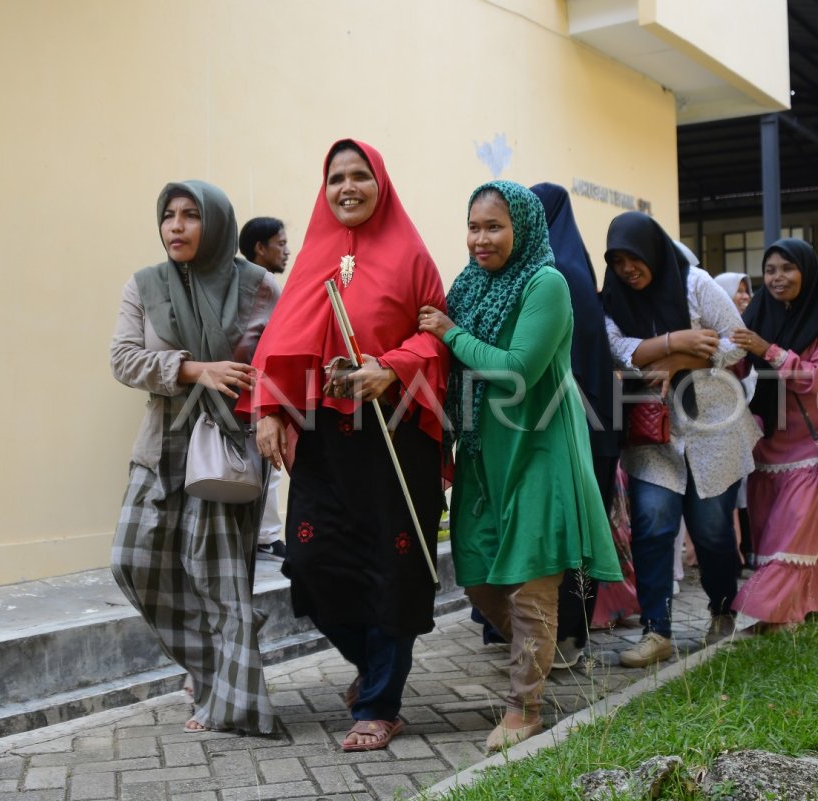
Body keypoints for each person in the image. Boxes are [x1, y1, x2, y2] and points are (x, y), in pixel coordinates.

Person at [245, 139, 450, 751]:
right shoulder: (313, 256)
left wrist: (389, 367)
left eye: (360, 176)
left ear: (380, 183)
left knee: (394, 563)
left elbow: (439, 337)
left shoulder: (411, 254)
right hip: (322, 437)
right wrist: (269, 409)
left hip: (394, 435)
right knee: (311, 563)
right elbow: (285, 343)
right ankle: (374, 664)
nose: (348, 188)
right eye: (336, 178)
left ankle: (382, 700)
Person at [418, 180, 621, 752]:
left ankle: (524, 707)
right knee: (479, 576)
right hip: (483, 452)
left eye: (494, 227)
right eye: (474, 227)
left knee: (531, 583)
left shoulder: (547, 283)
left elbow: (515, 371)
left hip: (539, 450)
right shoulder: (470, 285)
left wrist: (449, 332)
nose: (480, 240)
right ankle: (539, 651)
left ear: (524, 228)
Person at [110, 180, 279, 734]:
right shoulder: (145, 285)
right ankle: (213, 670)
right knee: (133, 561)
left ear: (217, 223)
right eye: (168, 215)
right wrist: (192, 369)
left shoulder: (258, 287)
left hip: (228, 444)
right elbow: (124, 360)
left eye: (190, 215)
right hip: (163, 444)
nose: (176, 226)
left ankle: (232, 700)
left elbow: (279, 363)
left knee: (218, 574)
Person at [602, 211, 759, 667]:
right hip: (652, 431)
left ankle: (722, 610)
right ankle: (657, 631)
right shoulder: (611, 299)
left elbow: (737, 341)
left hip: (713, 426)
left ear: (653, 249)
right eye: (617, 261)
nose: (627, 269)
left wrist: (686, 362)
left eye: (634, 258)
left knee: (712, 532)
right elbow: (620, 350)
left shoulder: (695, 283)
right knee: (652, 525)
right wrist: (679, 341)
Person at [729, 238, 818, 631]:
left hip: (817, 439)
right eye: (770, 270)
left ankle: (769, 608)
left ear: (807, 271)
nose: (777, 278)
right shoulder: (758, 313)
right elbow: (736, 369)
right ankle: (789, 608)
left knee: (797, 527)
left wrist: (768, 350)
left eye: (787, 268)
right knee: (772, 532)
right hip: (769, 438)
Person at [239, 216, 291, 562]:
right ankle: (267, 537)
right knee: (266, 460)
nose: (287, 252)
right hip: (254, 387)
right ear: (261, 248)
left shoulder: (241, 282)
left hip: (245, 386)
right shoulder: (262, 286)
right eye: (281, 244)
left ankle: (261, 534)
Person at [714, 271, 757, 567]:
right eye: (737, 290)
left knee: (746, 490)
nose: (744, 296)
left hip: (750, 420)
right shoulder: (713, 333)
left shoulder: (751, 328)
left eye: (747, 290)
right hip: (718, 425)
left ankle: (746, 551)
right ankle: (732, 555)